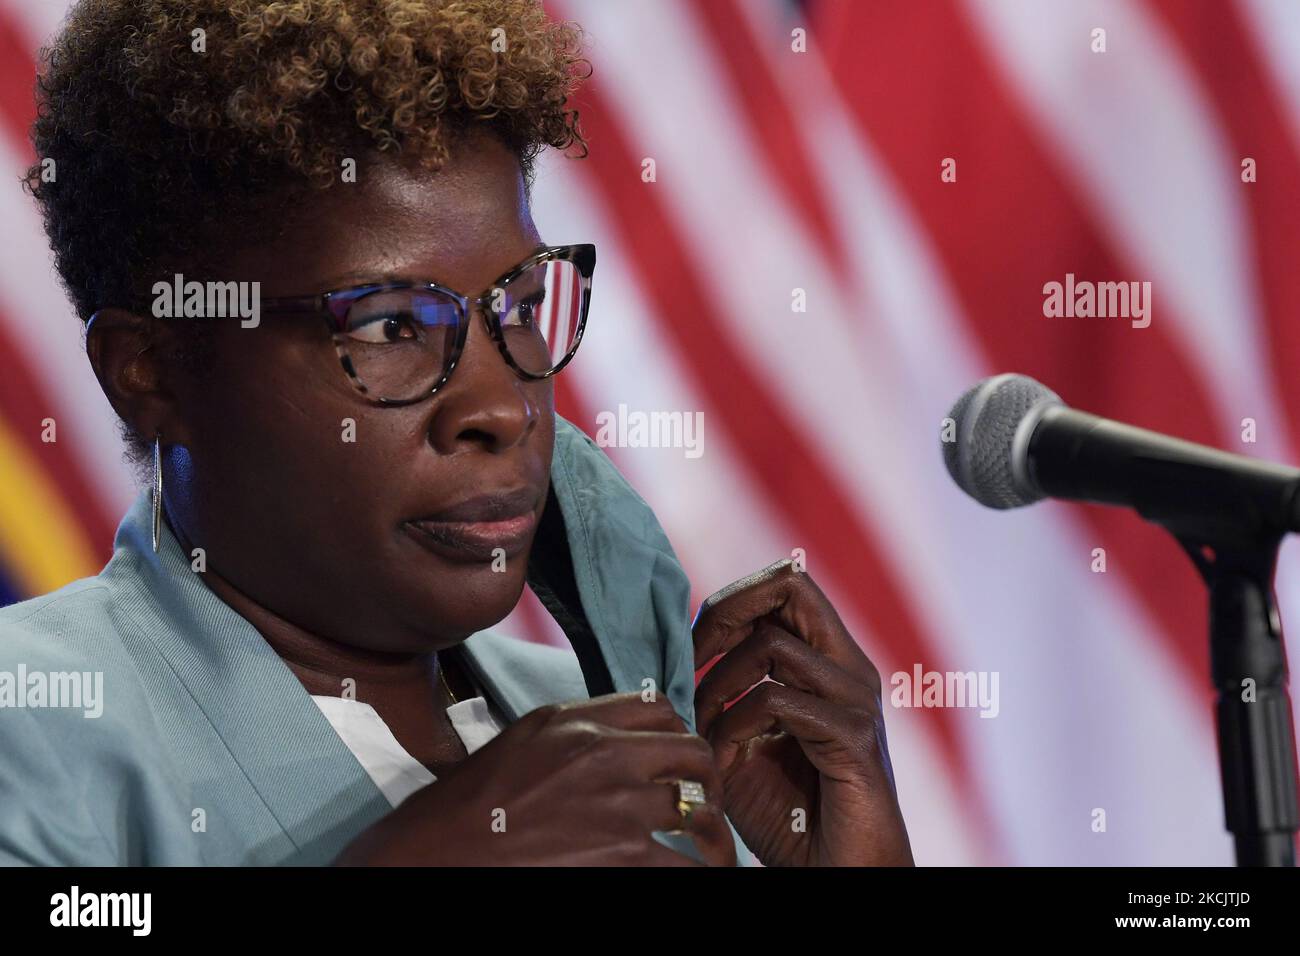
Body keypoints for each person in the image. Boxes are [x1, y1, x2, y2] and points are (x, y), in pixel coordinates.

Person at [0, 0, 913, 866]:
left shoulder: (622, 744)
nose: (503, 406)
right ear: (150, 371)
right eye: (389, 325)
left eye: (515, 307)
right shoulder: (35, 722)